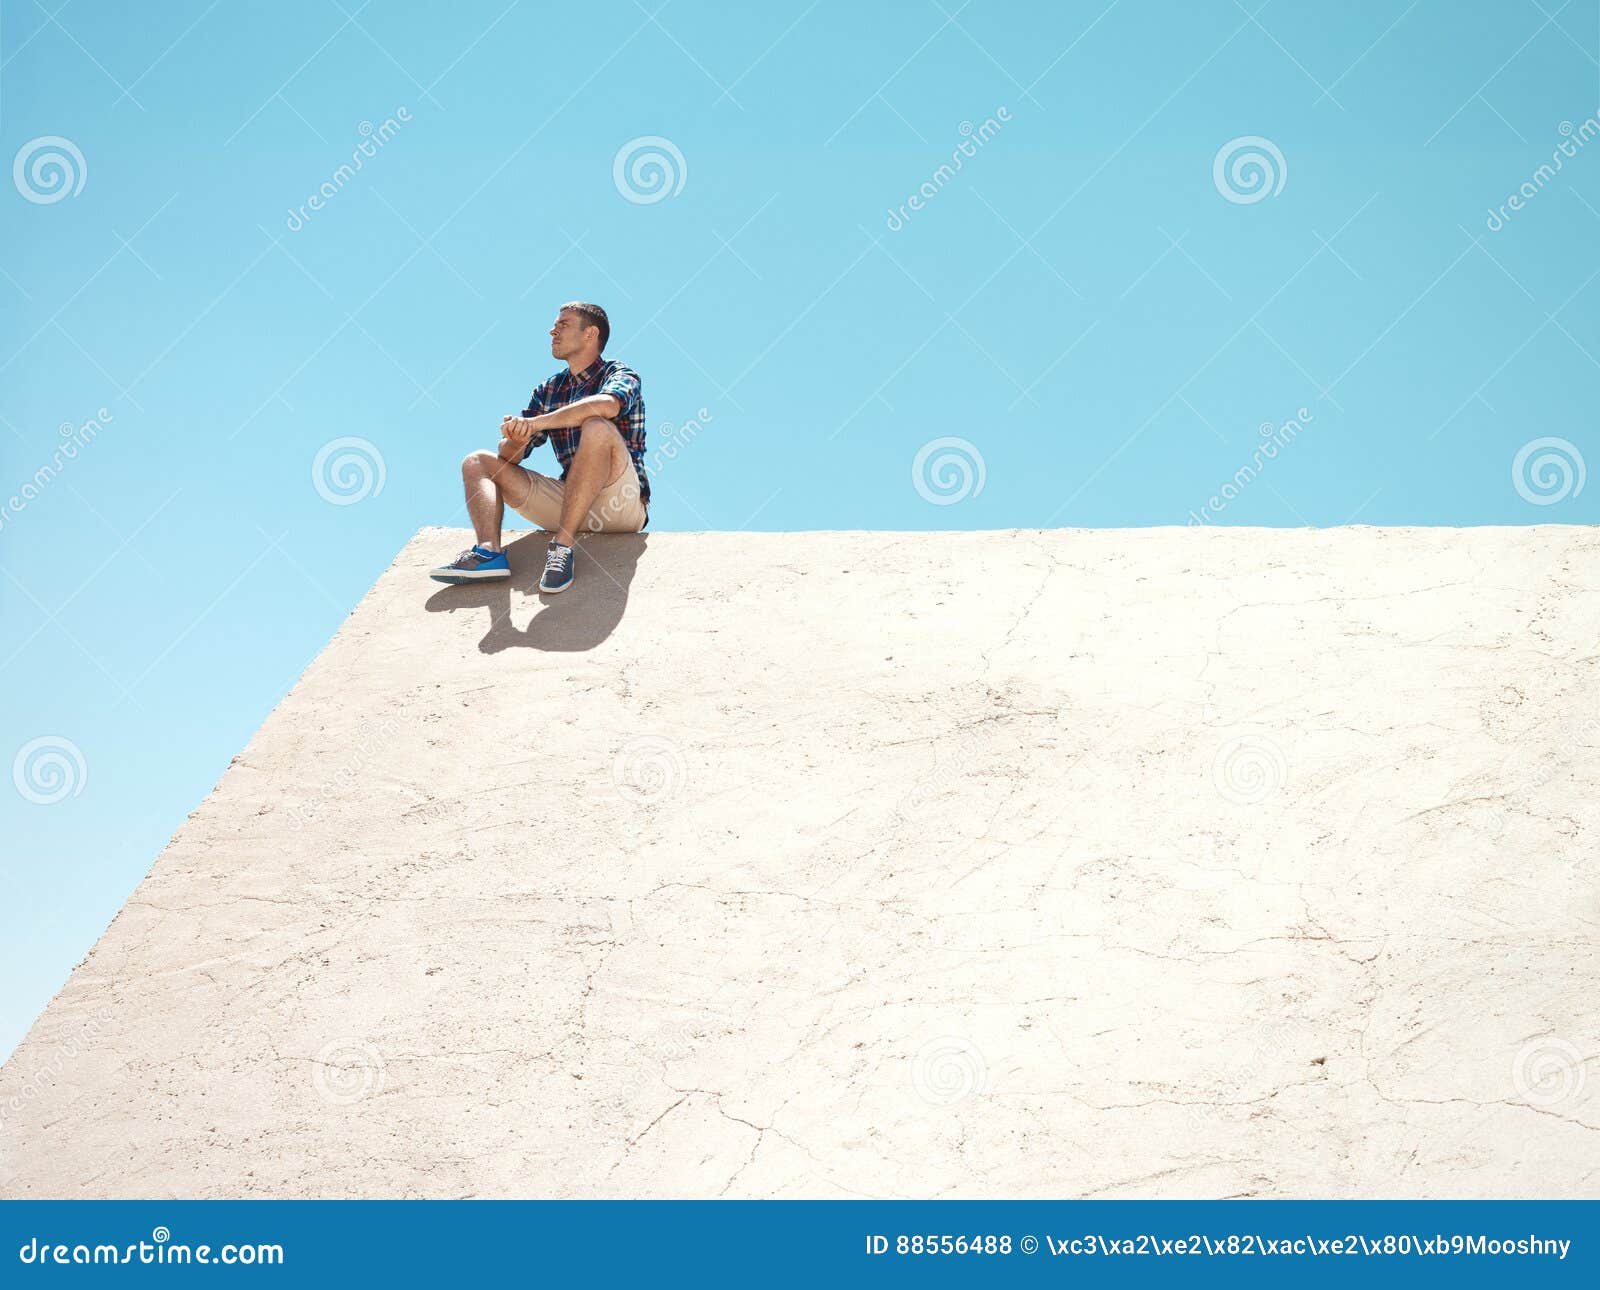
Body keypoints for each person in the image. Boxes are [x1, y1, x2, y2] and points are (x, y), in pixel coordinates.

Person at [430, 301, 648, 593]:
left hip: (619, 504)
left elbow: (608, 404)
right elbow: (511, 457)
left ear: (590, 334)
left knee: (597, 426)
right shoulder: (549, 389)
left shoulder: (619, 373)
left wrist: (537, 423)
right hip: (573, 500)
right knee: (477, 462)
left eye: (563, 325)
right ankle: (488, 553)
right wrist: (518, 438)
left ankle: (562, 547)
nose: (552, 331)